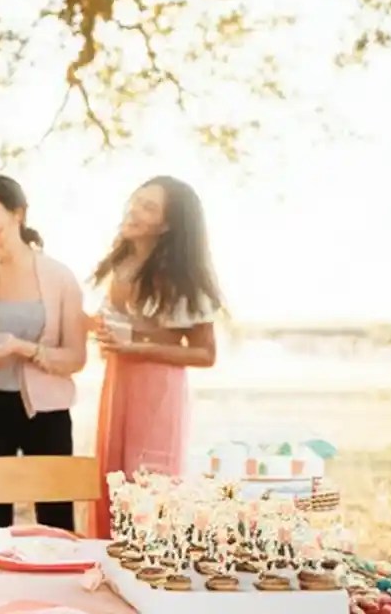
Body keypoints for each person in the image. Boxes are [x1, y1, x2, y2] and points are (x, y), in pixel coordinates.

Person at [87, 175, 223, 539]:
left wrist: (140, 348)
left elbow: (206, 353)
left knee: (147, 484)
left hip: (157, 390)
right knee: (110, 480)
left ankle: (148, 573)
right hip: (117, 383)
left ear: (166, 225)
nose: (134, 209)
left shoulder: (183, 279)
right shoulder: (121, 262)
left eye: (148, 206)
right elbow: (118, 324)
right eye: (136, 200)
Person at [0, 175, 87, 531]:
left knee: (56, 518)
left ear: (18, 213)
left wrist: (21, 348)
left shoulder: (60, 278)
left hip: (47, 412)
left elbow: (75, 358)